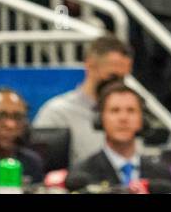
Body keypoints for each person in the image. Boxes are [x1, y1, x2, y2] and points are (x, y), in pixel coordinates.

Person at [33, 35, 135, 164]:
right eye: (112, 77)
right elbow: (41, 164)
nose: (117, 85)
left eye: (122, 78)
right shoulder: (57, 113)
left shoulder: (131, 113)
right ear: (90, 65)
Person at [65, 82, 171, 193]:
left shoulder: (161, 175)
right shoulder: (82, 174)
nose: (123, 118)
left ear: (142, 120)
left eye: (131, 110)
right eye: (115, 110)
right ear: (100, 119)